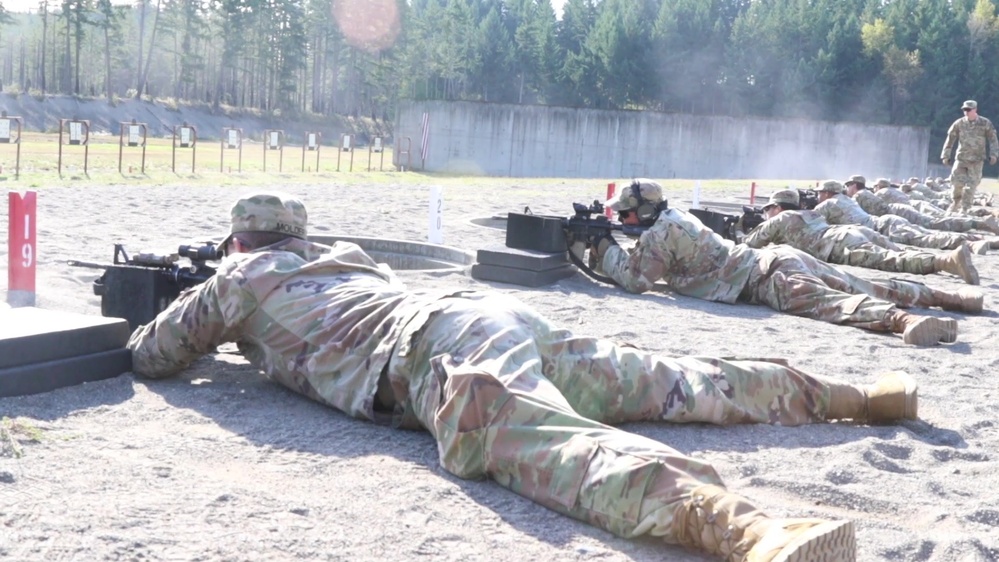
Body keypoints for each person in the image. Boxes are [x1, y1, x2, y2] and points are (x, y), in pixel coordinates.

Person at [127, 192, 904, 562]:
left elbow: (157, 353)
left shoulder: (241, 277)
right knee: (671, 378)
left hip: (435, 357)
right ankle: (852, 397)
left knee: (558, 450)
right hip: (483, 317)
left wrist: (205, 298)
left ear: (238, 240)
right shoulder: (342, 259)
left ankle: (743, 528)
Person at [595, 180, 973, 347]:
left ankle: (905, 321)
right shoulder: (673, 217)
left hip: (763, 278)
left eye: (626, 215)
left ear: (644, 210)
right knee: (865, 284)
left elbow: (635, 280)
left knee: (834, 304)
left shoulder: (660, 232)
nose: (624, 221)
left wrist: (600, 246)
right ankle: (950, 297)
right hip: (777, 259)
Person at [742, 188, 981, 285]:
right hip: (853, 232)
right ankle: (949, 255)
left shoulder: (779, 220)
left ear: (777, 208)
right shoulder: (809, 212)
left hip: (841, 244)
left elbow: (749, 245)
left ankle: (946, 261)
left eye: (767, 209)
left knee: (891, 261)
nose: (766, 213)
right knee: (900, 251)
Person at [814, 177, 996, 254]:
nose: (818, 195)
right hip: (890, 221)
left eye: (820, 192)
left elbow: (808, 222)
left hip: (885, 225)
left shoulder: (833, 202)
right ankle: (980, 236)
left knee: (928, 238)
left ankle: (973, 240)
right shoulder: (847, 200)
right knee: (930, 232)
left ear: (828, 193)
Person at [854, 176, 999, 234]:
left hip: (908, 210)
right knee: (943, 217)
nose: (875, 189)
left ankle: (981, 223)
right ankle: (983, 221)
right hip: (913, 206)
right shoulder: (890, 190)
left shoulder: (880, 192)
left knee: (938, 222)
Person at [941, 99, 999, 213]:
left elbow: (993, 140)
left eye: (968, 110)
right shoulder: (959, 123)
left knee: (971, 185)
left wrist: (994, 154)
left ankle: (965, 208)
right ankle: (956, 202)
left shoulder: (985, 123)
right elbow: (950, 139)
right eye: (964, 110)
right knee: (956, 182)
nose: (966, 112)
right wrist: (945, 155)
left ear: (975, 110)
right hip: (961, 158)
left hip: (977, 160)